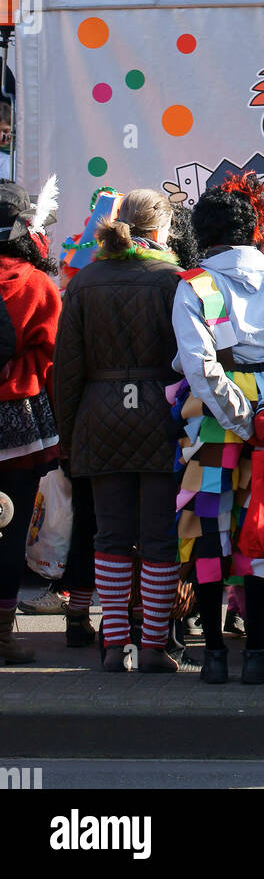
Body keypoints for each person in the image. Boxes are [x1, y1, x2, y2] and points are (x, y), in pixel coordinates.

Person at [171, 174, 264, 684]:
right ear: (254, 230)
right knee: (263, 527)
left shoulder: (194, 287)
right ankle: (259, 654)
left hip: (214, 428)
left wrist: (238, 416)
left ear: (202, 235)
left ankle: (213, 655)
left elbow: (201, 366)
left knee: (210, 531)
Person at [54, 189, 184, 674]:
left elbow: (65, 371)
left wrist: (68, 440)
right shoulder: (174, 280)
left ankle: (114, 646)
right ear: (163, 229)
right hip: (162, 419)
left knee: (109, 536)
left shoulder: (85, 281)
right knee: (158, 538)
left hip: (99, 416)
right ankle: (152, 646)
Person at [0, 179, 61, 664]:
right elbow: (52, 355)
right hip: (17, 423)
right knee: (10, 526)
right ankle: (1, 637)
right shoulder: (37, 284)